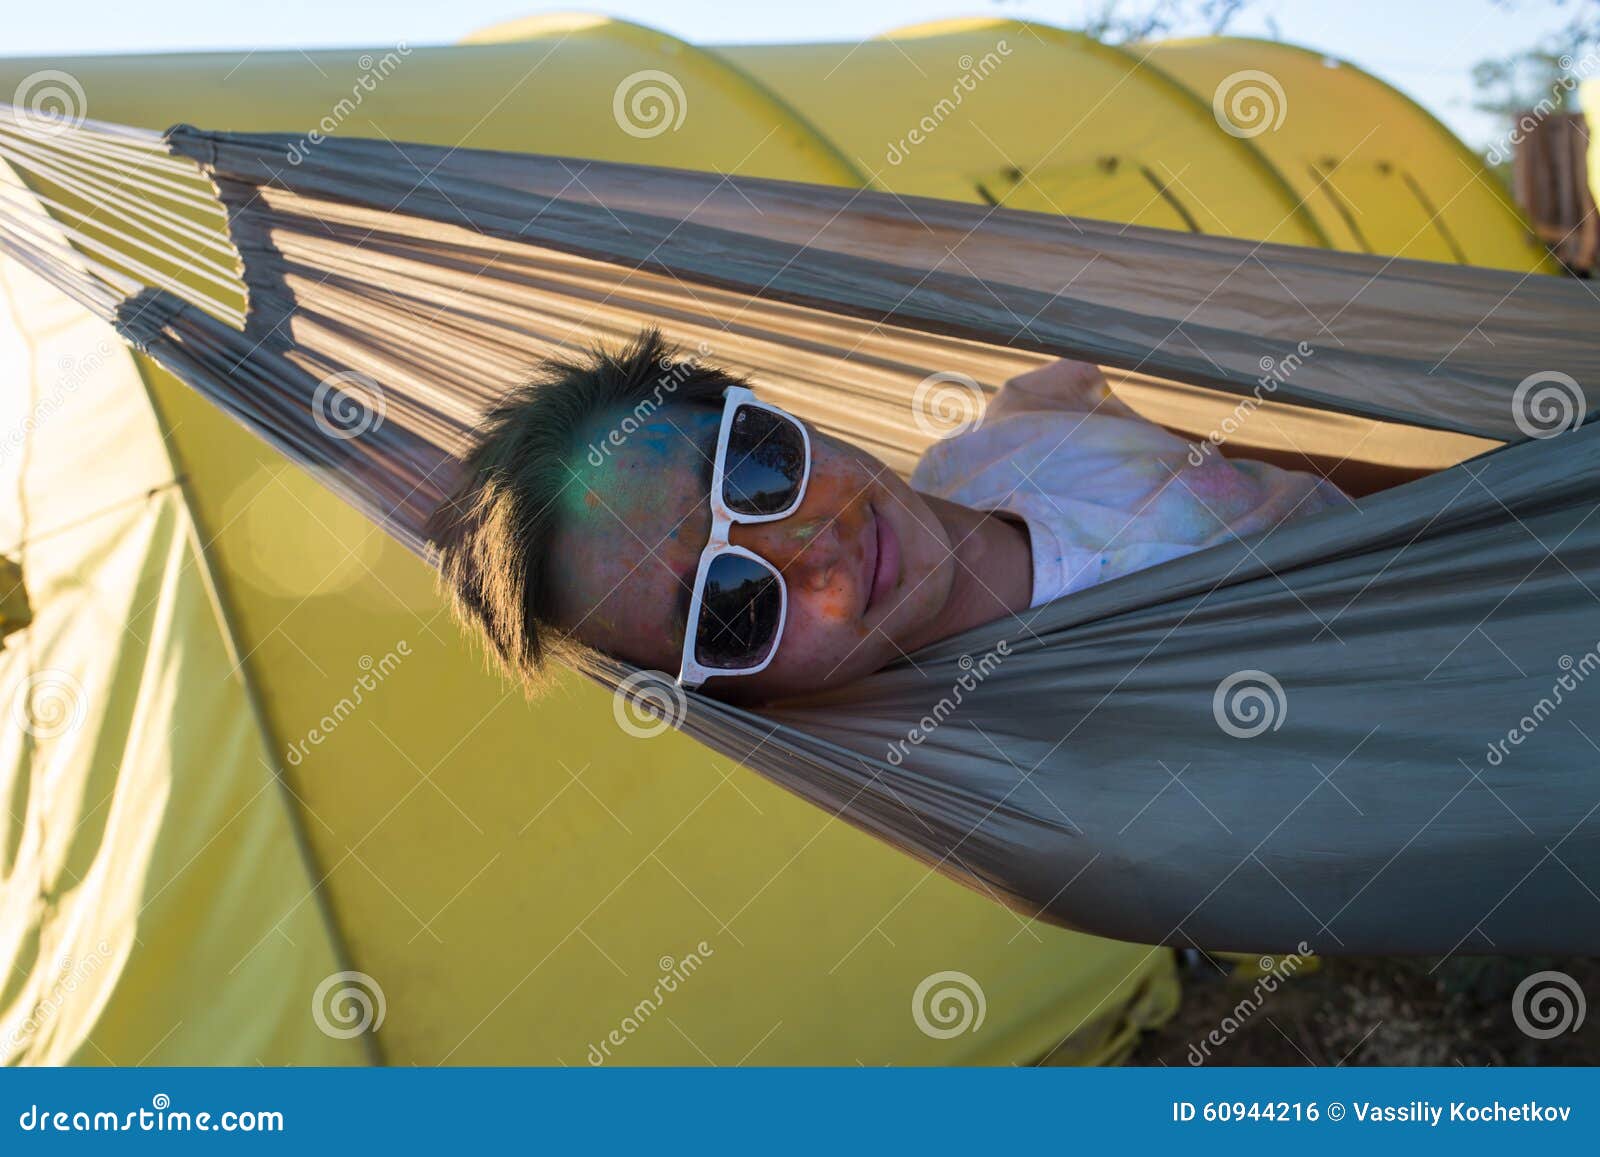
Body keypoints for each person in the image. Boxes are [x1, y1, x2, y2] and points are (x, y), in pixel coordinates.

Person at [431, 327, 1352, 705]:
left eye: (754, 466)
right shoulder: (1043, 775)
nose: (814, 546)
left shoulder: (1027, 422)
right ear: (739, 700)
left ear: (777, 411)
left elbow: (1307, 467)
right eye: (730, 609)